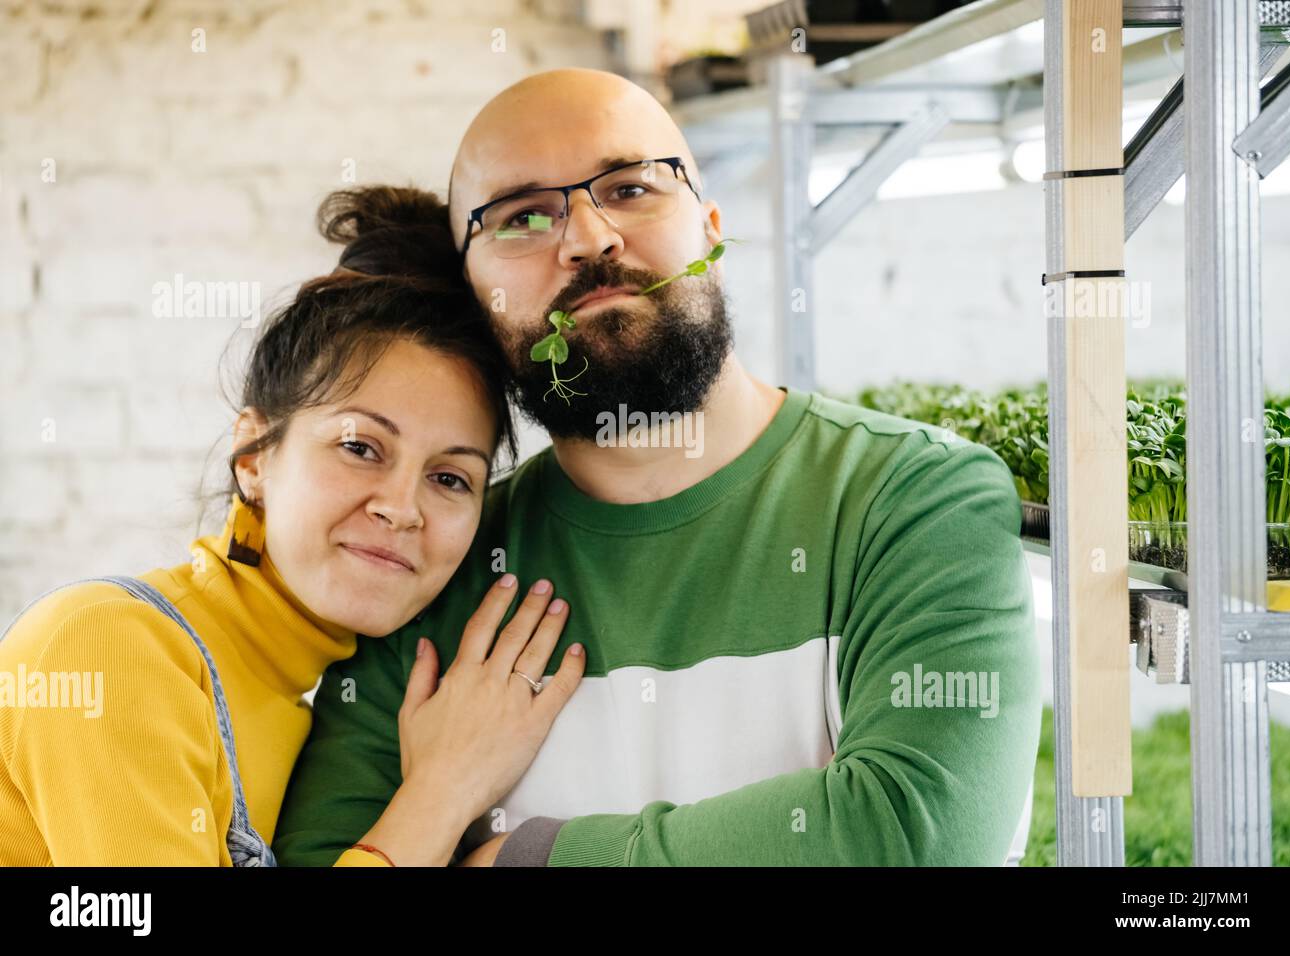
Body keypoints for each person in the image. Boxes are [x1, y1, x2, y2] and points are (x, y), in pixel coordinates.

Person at [274, 68, 1041, 867]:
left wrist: (508, 859)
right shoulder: (431, 562)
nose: (590, 238)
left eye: (632, 188)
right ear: (474, 292)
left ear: (710, 227)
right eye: (523, 216)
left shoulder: (918, 501)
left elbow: (917, 835)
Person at [0, 186, 586, 866]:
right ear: (254, 456)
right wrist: (444, 791)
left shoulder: (312, 709)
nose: (402, 508)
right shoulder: (107, 647)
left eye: (450, 478)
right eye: (360, 447)